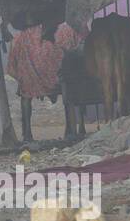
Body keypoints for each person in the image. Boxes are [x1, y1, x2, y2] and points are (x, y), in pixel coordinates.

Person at [5, 12, 83, 143]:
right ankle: (71, 130)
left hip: (30, 79)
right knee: (70, 89)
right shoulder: (64, 31)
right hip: (58, 78)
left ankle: (27, 134)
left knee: (25, 94)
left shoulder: (21, 38)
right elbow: (76, 52)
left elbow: (13, 66)